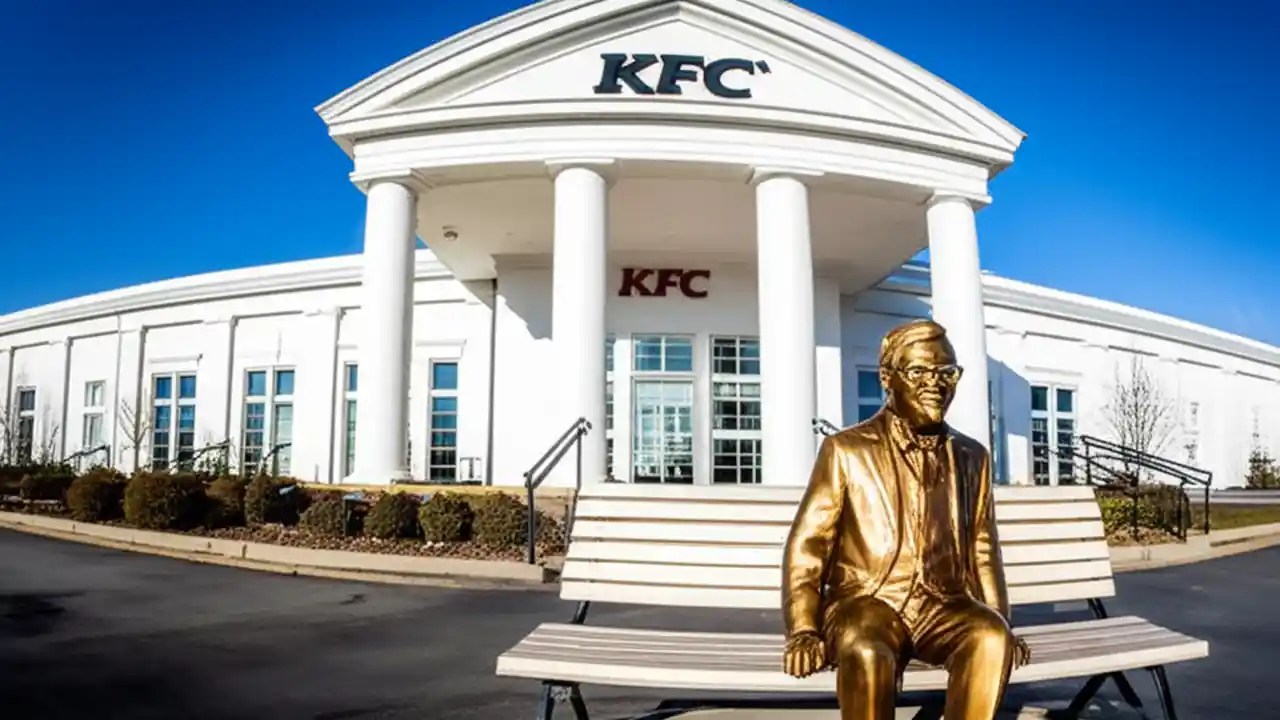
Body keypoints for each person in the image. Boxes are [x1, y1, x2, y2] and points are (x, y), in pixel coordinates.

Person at [781, 319, 1030, 720]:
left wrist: (1001, 619)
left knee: (990, 637)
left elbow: (983, 548)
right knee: (866, 650)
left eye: (946, 372)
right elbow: (808, 545)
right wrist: (803, 629)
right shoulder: (845, 450)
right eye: (918, 371)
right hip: (865, 602)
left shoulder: (973, 456)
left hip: (943, 605)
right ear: (887, 378)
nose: (935, 382)